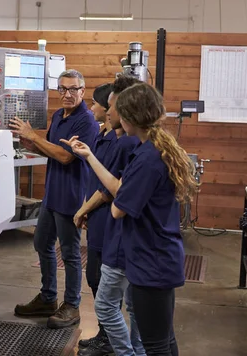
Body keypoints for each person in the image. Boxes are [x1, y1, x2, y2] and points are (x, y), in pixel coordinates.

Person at [65, 83, 197, 356]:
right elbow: (120, 189)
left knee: (156, 344)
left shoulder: (147, 159)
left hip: (152, 261)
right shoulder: (149, 150)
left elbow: (118, 207)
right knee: (163, 339)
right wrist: (90, 157)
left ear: (129, 118)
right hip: (153, 257)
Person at [9, 69, 98, 329]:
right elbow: (50, 148)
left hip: (71, 196)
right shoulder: (59, 115)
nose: (67, 94)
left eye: (73, 89)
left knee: (70, 253)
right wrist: (28, 141)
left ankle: (72, 305)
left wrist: (35, 137)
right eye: (62, 89)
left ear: (83, 91)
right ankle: (48, 298)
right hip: (51, 194)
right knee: (42, 243)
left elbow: (66, 156)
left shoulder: (87, 122)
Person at [69, 76, 145, 356]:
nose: (105, 111)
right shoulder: (114, 139)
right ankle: (120, 344)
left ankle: (116, 344)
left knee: (110, 299)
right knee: (130, 304)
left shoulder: (132, 148)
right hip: (107, 224)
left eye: (109, 106)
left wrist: (84, 208)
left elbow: (114, 192)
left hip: (117, 230)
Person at [72, 83, 115, 350]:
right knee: (94, 278)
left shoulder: (118, 143)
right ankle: (104, 333)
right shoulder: (101, 136)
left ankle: (109, 338)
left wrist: (82, 209)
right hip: (97, 220)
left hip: (107, 221)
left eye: (95, 103)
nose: (91, 108)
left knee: (103, 282)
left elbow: (109, 189)